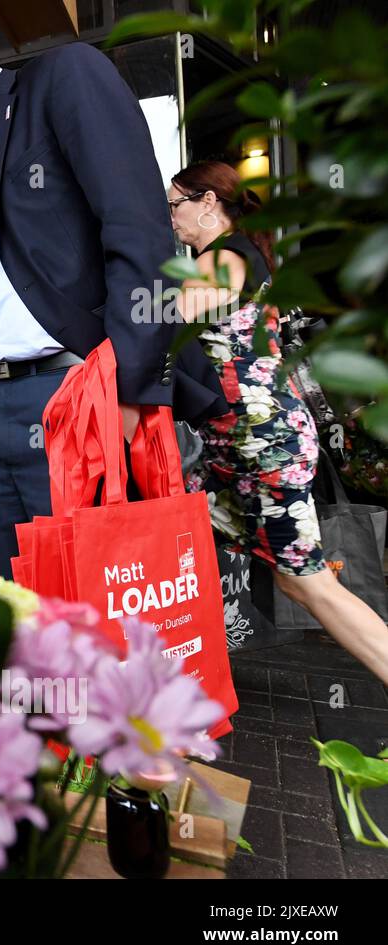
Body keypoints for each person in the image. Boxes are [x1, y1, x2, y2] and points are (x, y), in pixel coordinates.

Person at [0, 0, 226, 579]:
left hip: (78, 393)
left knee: (100, 622)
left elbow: (140, 233)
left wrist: (131, 391)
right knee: (13, 614)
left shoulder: (64, 77)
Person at [169, 161, 388, 685]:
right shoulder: (240, 256)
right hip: (234, 446)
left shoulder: (224, 258)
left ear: (207, 204)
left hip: (262, 446)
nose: (169, 217)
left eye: (174, 205)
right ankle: (181, 681)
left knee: (307, 581)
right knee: (182, 544)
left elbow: (165, 318)